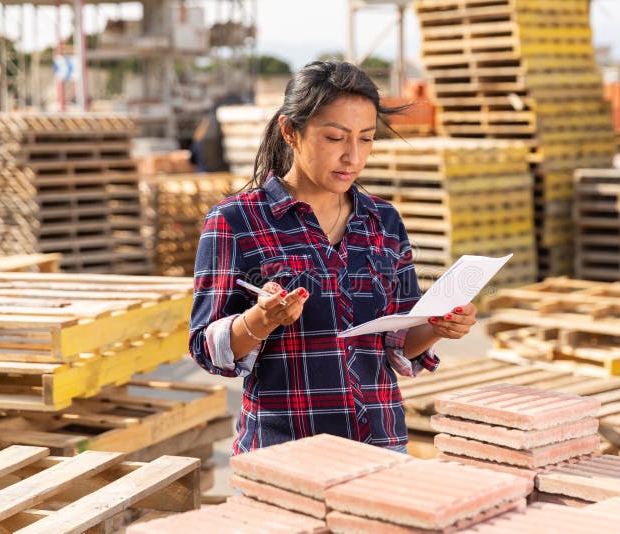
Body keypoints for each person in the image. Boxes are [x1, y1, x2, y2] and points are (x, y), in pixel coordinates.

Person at [189, 60, 477, 455]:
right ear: (290, 131)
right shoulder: (235, 222)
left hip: (380, 447)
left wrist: (438, 327)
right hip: (284, 451)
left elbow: (397, 343)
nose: (352, 157)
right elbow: (206, 348)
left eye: (366, 139)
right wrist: (261, 320)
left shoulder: (383, 221)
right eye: (335, 138)